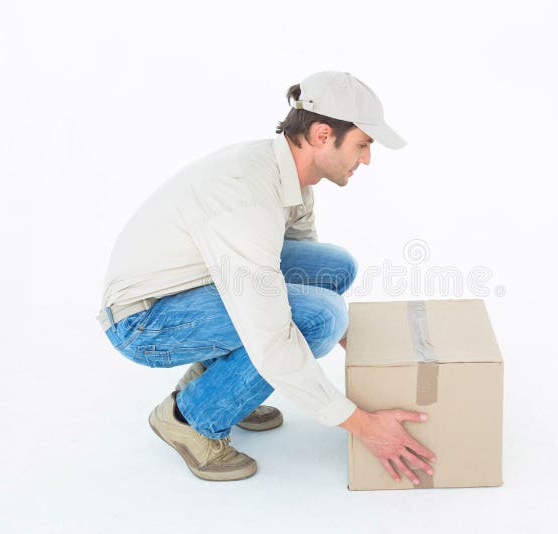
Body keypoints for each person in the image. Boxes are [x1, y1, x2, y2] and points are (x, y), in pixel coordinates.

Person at [97, 71, 436, 484]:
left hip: (200, 285)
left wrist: (354, 340)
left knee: (335, 271)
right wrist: (364, 425)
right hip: (144, 321)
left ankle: (223, 383)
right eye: (363, 145)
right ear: (322, 135)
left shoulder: (291, 176)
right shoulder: (245, 196)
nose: (366, 158)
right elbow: (274, 332)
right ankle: (191, 417)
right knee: (320, 318)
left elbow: (304, 280)